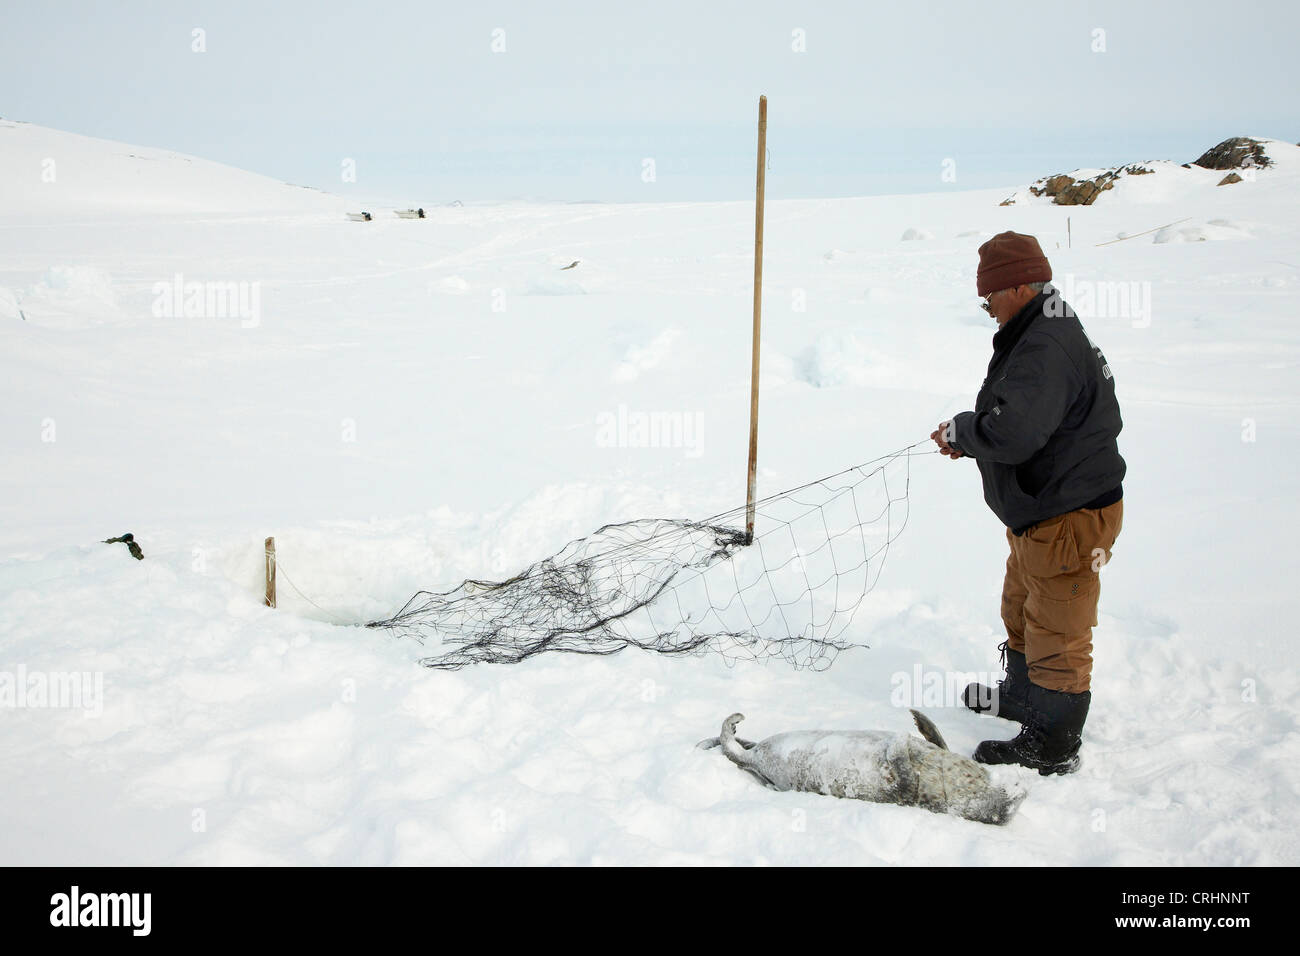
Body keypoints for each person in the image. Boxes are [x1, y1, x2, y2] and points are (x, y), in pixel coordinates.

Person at [931, 231, 1125, 776]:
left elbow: (1015, 432)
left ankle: (1054, 741)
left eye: (988, 297)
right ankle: (1023, 694)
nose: (986, 308)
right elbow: (1026, 424)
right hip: (1043, 512)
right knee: (1023, 605)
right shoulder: (1042, 324)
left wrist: (966, 433)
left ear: (1017, 286)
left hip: (1071, 516)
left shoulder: (1045, 342)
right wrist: (971, 440)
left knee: (1058, 627)